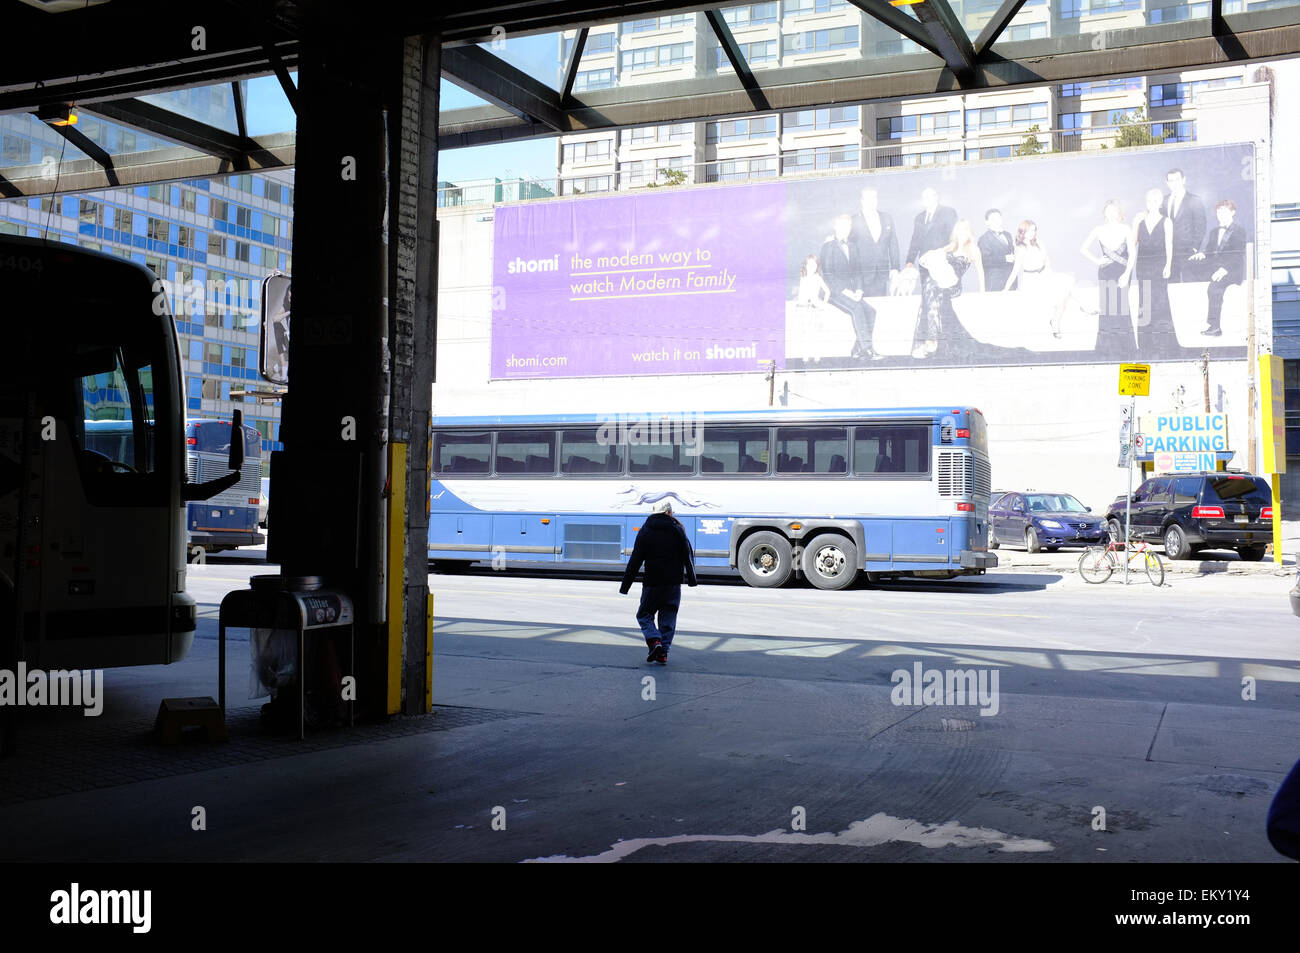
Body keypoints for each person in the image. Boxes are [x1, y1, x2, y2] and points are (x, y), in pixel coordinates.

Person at [619, 499, 698, 665]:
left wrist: (625, 586)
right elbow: (687, 556)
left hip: (652, 583)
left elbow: (635, 560)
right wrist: (692, 579)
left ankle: (655, 641)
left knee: (644, 614)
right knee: (668, 617)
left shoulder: (645, 531)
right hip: (673, 584)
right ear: (668, 512)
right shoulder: (678, 530)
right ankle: (663, 653)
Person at [1003, 219, 1091, 339]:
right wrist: (1005, 289)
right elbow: (1015, 271)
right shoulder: (1021, 248)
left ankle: (1077, 310)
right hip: (1032, 280)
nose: (1032, 233)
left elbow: (1046, 259)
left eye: (1034, 230)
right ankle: (1062, 319)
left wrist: (1049, 272)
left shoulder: (1039, 242)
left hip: (1045, 273)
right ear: (1022, 231)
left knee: (1068, 282)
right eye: (1029, 230)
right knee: (1060, 294)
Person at [910, 220, 983, 360]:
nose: (962, 232)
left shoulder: (973, 248)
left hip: (953, 286)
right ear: (956, 232)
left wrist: (982, 291)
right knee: (931, 285)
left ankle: (928, 341)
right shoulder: (951, 246)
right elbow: (932, 256)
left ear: (969, 232)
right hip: (940, 283)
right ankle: (932, 339)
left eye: (965, 229)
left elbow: (980, 271)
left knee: (930, 289)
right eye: (959, 229)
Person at [1123, 188, 1176, 353]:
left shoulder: (1167, 221)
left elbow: (1169, 244)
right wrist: (1134, 223)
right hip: (1143, 265)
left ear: (1160, 203)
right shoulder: (1140, 220)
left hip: (1159, 265)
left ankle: (1164, 342)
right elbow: (1133, 243)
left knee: (1160, 302)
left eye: (1154, 201)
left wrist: (1168, 265)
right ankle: (1145, 344)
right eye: (1148, 201)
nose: (1151, 204)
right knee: (1144, 303)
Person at [818, 214, 877, 360]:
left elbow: (857, 272)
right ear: (836, 227)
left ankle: (857, 349)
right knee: (856, 309)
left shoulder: (853, 246)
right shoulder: (827, 246)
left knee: (871, 311)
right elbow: (828, 276)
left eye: (848, 227)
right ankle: (867, 350)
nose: (846, 230)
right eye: (842, 226)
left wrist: (859, 289)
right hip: (832, 292)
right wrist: (847, 292)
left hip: (850, 291)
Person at [1079, 200, 1133, 357]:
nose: (1111, 214)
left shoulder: (1126, 229)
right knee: (1107, 308)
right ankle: (1107, 348)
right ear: (1104, 213)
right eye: (1108, 211)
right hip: (1105, 272)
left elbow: (1132, 254)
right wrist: (1097, 261)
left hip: (1122, 272)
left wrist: (1127, 273)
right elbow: (1083, 248)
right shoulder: (1098, 229)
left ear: (1119, 213)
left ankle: (1125, 348)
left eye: (1114, 211)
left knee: (1122, 307)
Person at [1188, 199, 1247, 336]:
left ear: (1233, 213)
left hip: (1231, 270)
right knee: (1189, 266)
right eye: (1218, 211)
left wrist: (1224, 270)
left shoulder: (1239, 231)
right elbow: (1210, 251)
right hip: (1215, 267)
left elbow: (1237, 255)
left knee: (1214, 288)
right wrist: (1202, 254)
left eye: (1224, 211)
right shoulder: (1214, 231)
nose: (1221, 213)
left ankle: (1215, 327)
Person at [904, 187, 959, 290]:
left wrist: (947, 255)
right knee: (927, 295)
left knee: (944, 294)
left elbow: (954, 236)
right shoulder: (919, 218)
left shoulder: (948, 212)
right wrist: (910, 261)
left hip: (942, 262)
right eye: (924, 197)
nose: (927, 199)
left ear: (936, 197)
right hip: (924, 264)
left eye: (930, 195)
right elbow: (915, 241)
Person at [849, 186, 900, 298]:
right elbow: (849, 248)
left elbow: (893, 244)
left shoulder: (887, 218)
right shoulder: (853, 221)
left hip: (882, 274)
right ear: (862, 201)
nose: (872, 201)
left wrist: (895, 268)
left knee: (880, 309)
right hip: (861, 276)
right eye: (868, 198)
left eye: (874, 198)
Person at [1163, 168, 1206, 281]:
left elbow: (1201, 226)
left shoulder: (1195, 200)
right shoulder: (1163, 201)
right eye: (1171, 181)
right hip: (1168, 253)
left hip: (1188, 252)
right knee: (1171, 287)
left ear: (1183, 180)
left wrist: (1194, 248)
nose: (1174, 183)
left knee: (1190, 285)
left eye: (1177, 179)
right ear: (1167, 183)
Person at [977, 209, 1017, 294]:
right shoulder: (984, 239)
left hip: (1011, 281)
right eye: (993, 219)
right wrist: (1004, 258)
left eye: (999, 218)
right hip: (995, 283)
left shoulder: (1008, 235)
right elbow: (984, 261)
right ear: (987, 222)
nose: (997, 221)